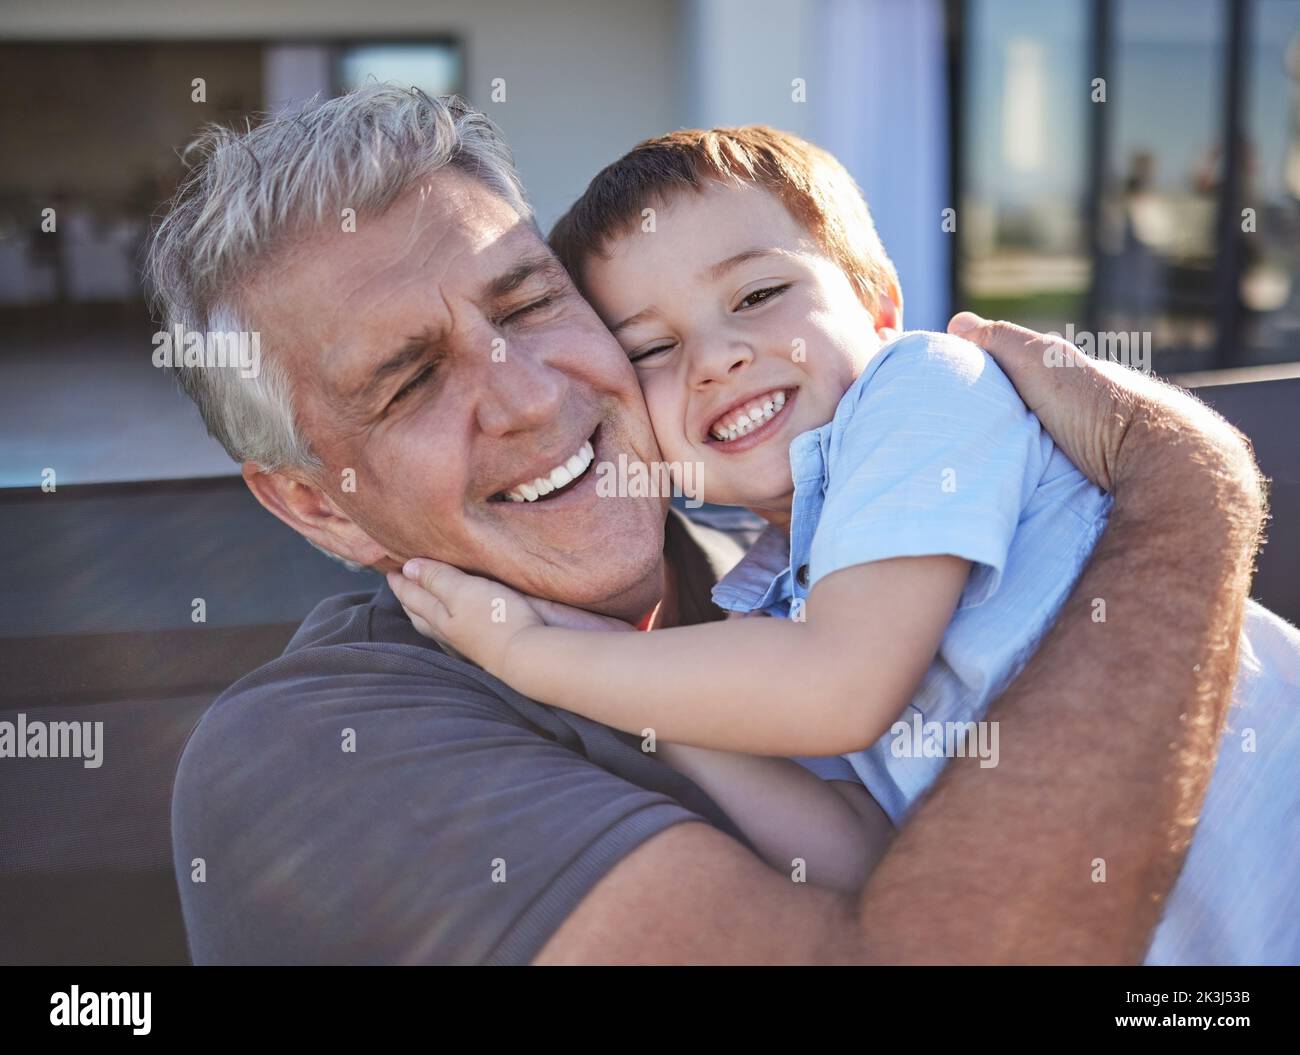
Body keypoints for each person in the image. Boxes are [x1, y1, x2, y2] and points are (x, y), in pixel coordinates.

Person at [151, 87, 1265, 964]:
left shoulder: (767, 567)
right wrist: (1186, 495)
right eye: (408, 382)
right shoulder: (315, 750)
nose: (533, 396)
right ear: (311, 502)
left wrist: (588, 669)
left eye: (528, 303)